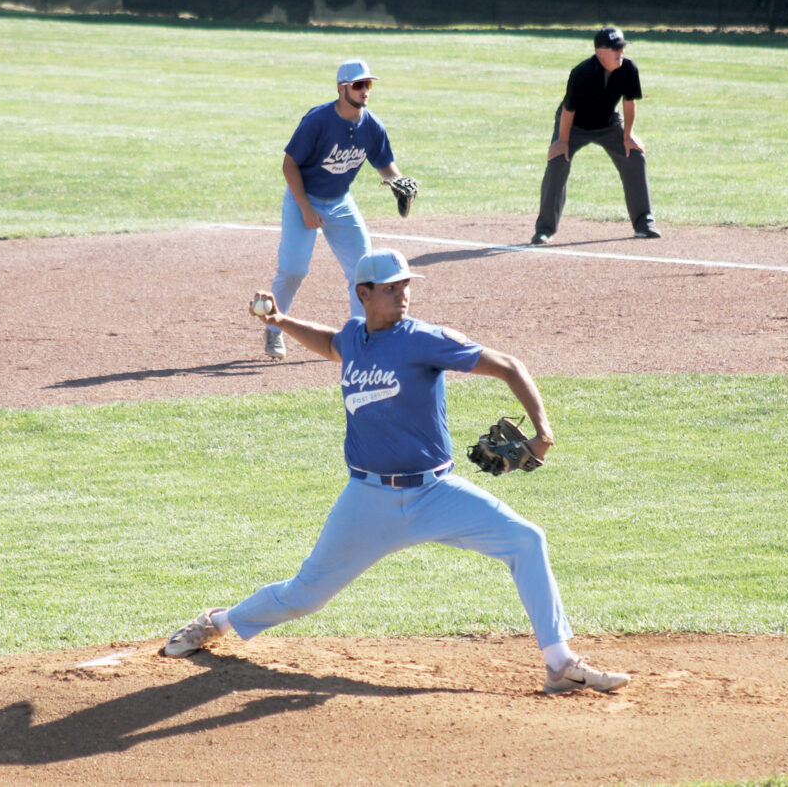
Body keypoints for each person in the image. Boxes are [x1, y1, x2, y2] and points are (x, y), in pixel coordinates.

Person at [165, 248, 630, 695]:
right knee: (305, 595)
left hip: (437, 494)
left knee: (526, 539)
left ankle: (559, 664)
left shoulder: (425, 339)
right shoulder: (354, 337)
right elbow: (331, 343)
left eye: (405, 285)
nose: (402, 294)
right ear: (363, 293)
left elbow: (509, 366)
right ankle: (217, 623)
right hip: (368, 501)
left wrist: (543, 433)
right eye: (390, 288)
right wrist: (279, 321)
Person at [264, 59, 410, 360]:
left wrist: (398, 180)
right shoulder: (318, 120)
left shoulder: (372, 125)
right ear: (342, 88)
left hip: (340, 202)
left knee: (363, 271)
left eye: (367, 84)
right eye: (358, 85)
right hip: (302, 197)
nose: (365, 91)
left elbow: (384, 164)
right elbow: (289, 165)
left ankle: (364, 338)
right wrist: (305, 208)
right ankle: (274, 328)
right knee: (293, 270)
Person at [531, 26, 660, 245]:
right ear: (601, 52)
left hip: (609, 124)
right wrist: (562, 142)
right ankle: (545, 230)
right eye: (615, 48)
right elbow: (568, 110)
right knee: (557, 162)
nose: (621, 52)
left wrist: (628, 135)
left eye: (622, 47)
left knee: (634, 156)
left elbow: (629, 104)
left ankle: (644, 224)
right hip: (573, 126)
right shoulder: (581, 73)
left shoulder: (628, 68)